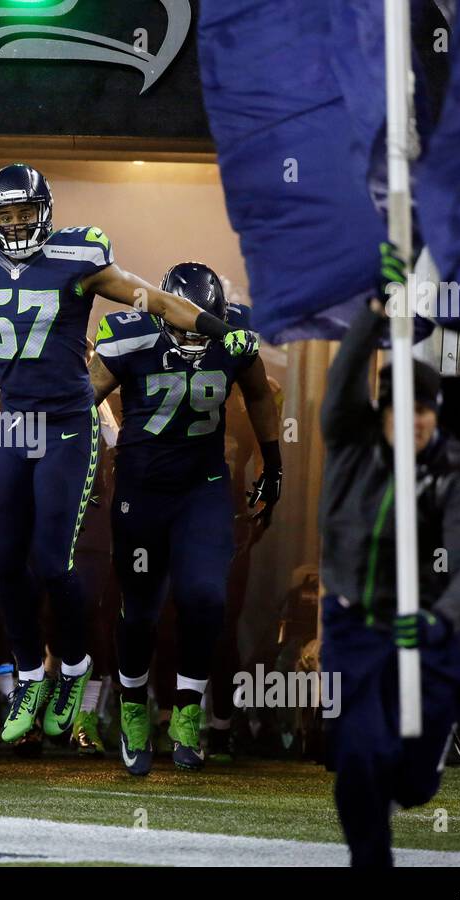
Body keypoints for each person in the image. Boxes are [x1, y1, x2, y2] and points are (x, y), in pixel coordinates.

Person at [0, 164, 260, 745]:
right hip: (16, 425)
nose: (15, 224)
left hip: (66, 424)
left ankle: (72, 668)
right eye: (6, 214)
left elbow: (160, 303)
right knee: (7, 562)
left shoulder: (79, 259)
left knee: (54, 560)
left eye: (23, 213)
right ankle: (29, 675)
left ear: (45, 212)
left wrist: (217, 329)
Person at [318, 245, 460, 867]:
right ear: (384, 411)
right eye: (407, 409)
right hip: (356, 632)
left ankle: (417, 772)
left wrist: (443, 618)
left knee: (415, 782)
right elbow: (343, 379)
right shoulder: (348, 440)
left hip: (429, 632)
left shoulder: (457, 471)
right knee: (361, 756)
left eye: (428, 411)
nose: (418, 421)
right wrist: (374, 307)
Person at [89, 262, 281, 774]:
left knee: (206, 598)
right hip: (141, 488)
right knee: (142, 610)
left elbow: (261, 393)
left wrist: (274, 461)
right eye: (183, 325)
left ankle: (188, 715)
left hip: (204, 486)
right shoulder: (130, 334)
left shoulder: (235, 333)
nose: (195, 338)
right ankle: (133, 710)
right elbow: (84, 400)